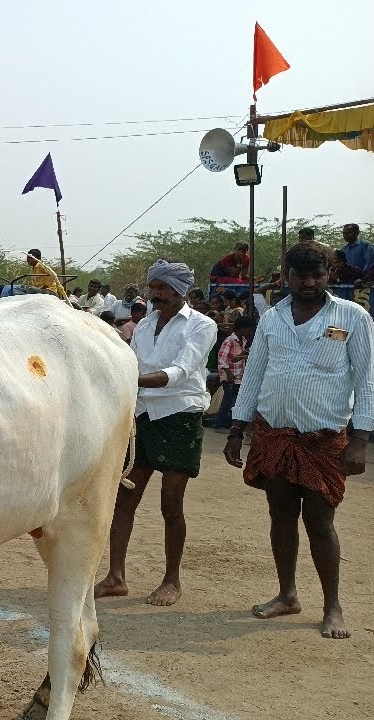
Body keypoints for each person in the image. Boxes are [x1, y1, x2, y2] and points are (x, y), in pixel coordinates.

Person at [224, 241, 370, 640]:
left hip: (325, 439)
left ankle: (332, 606)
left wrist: (360, 439)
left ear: (328, 276)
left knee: (320, 522)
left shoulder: (352, 317)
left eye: (317, 275)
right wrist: (237, 429)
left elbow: (367, 380)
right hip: (274, 433)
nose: (309, 282)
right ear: (285, 277)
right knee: (281, 515)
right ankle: (287, 595)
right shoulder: (272, 319)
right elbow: (253, 375)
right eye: (300, 275)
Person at [96, 260, 218, 607]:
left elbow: (181, 371)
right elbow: (131, 363)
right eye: (153, 288)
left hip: (180, 416)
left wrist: (127, 379)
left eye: (162, 289)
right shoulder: (145, 325)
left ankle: (171, 580)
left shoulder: (201, 325)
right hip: (143, 415)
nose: (155, 294)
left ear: (179, 291)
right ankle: (116, 577)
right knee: (124, 499)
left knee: (171, 503)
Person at [206, 315, 255, 430]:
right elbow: (222, 359)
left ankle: (225, 422)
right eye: (249, 329)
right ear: (241, 328)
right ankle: (219, 424)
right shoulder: (229, 341)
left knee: (232, 401)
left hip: (239, 376)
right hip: (230, 376)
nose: (250, 332)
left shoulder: (243, 341)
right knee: (227, 401)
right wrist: (228, 373)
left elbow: (237, 358)